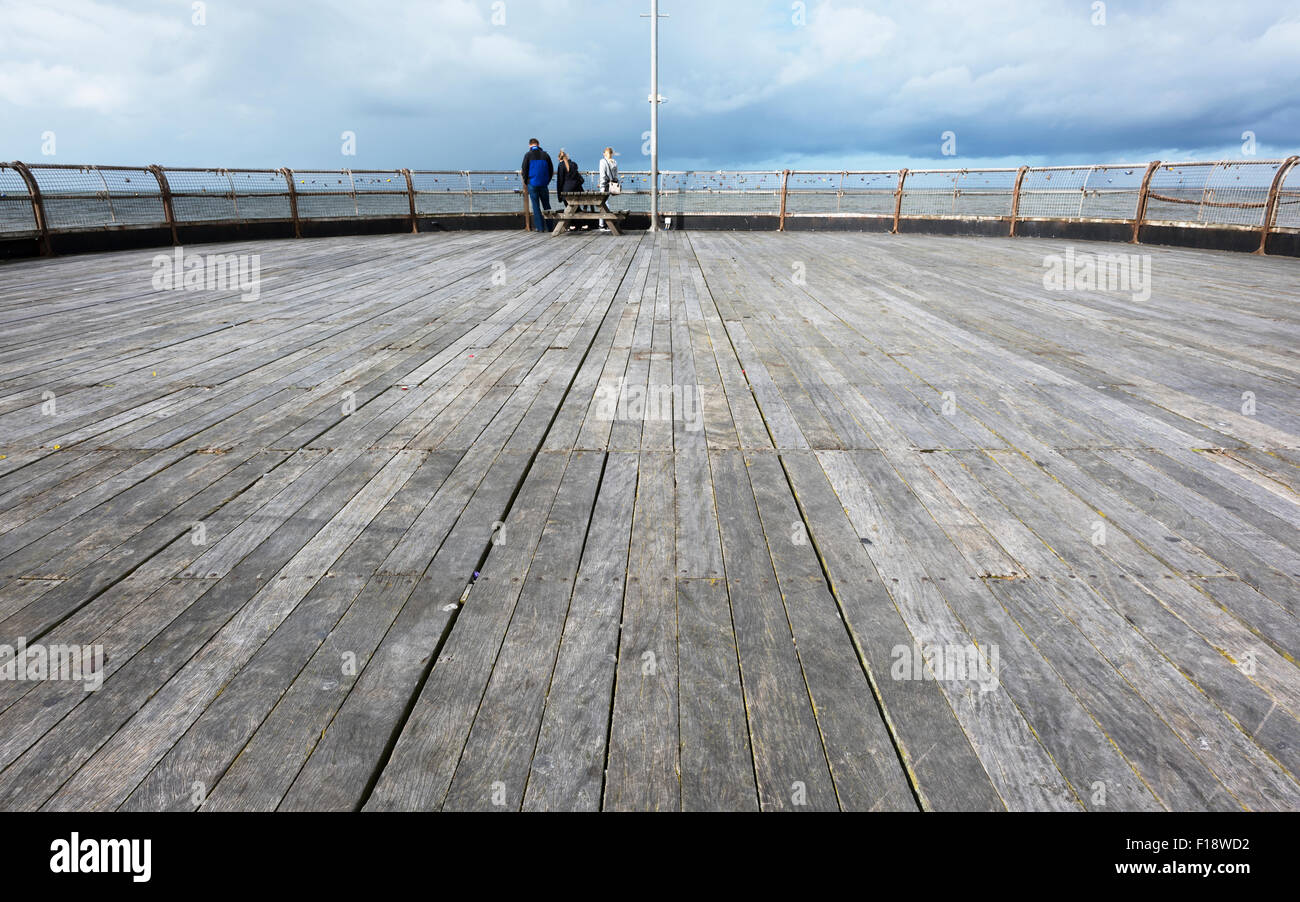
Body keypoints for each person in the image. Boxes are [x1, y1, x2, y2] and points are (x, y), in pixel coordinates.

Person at [521, 138, 554, 233]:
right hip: (544, 184)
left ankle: (540, 228)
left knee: (536, 206)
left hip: (533, 183)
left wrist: (527, 181)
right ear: (538, 144)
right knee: (547, 205)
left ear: (529, 145)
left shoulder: (528, 155)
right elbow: (551, 169)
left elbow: (524, 169)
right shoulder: (545, 154)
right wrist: (547, 181)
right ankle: (550, 227)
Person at [598, 147, 620, 231]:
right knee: (606, 204)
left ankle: (602, 225)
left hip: (605, 185)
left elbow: (602, 175)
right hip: (612, 185)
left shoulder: (602, 161)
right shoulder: (614, 162)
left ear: (604, 154)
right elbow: (615, 176)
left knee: (603, 204)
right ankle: (605, 224)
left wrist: (602, 186)